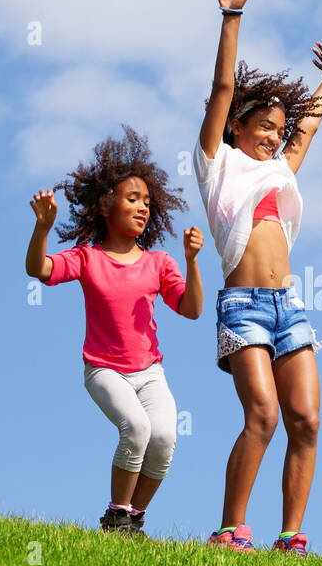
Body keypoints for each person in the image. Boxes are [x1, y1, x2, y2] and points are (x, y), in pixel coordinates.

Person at [194, 0, 322, 555]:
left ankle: (291, 536)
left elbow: (310, 124)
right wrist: (232, 18)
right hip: (243, 306)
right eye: (263, 127)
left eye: (278, 132)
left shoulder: (281, 169)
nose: (274, 138)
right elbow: (223, 87)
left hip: (290, 307)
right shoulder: (217, 164)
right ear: (238, 128)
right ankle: (229, 530)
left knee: (305, 419)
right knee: (263, 414)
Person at [25, 127, 203, 536]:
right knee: (136, 429)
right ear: (106, 204)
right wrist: (42, 229)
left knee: (163, 440)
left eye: (146, 201)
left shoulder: (159, 263)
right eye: (132, 199)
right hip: (104, 369)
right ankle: (116, 516)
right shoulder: (88, 258)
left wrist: (192, 262)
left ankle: (131, 521)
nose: (142, 208)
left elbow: (191, 310)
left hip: (149, 371)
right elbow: (39, 270)